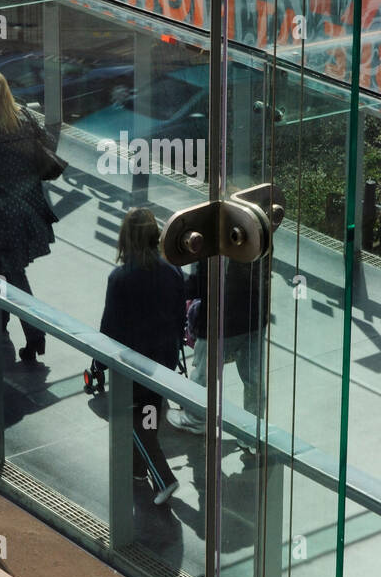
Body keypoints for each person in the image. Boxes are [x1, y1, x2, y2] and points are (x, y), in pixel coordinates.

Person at [0, 71, 57, 362]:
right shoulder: (26, 119)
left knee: (12, 275)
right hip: (27, 212)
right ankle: (5, 326)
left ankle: (34, 332)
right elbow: (48, 146)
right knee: (7, 273)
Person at [99, 208, 185, 506]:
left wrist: (99, 363)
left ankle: (164, 477)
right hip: (164, 357)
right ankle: (137, 469)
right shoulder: (173, 270)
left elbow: (109, 327)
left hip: (133, 363)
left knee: (133, 420)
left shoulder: (120, 278)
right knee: (149, 414)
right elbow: (179, 316)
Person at [168, 256, 270, 452]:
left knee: (203, 372)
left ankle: (195, 419)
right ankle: (252, 432)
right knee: (253, 378)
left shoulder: (216, 236)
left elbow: (204, 280)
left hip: (220, 318)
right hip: (255, 315)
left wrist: (177, 288)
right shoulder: (259, 232)